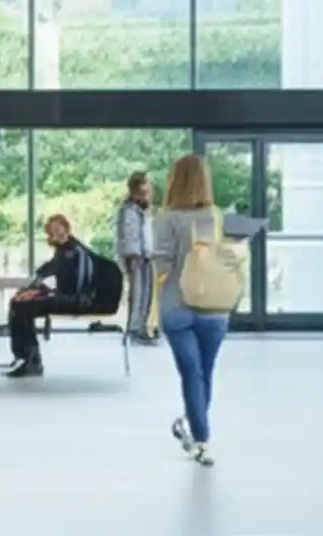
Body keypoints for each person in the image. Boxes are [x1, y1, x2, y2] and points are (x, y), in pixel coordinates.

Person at [155, 154, 230, 467]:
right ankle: (195, 430)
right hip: (213, 305)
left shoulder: (166, 218)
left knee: (190, 373)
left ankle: (200, 438)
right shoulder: (216, 216)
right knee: (205, 373)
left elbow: (161, 264)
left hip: (176, 306)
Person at [5, 214, 97, 378]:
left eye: (58, 229)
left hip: (76, 300)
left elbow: (76, 287)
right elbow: (45, 272)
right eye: (52, 230)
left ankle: (31, 360)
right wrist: (33, 290)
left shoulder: (75, 251)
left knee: (22, 307)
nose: (55, 233)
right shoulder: (62, 251)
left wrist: (41, 292)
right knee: (18, 301)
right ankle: (23, 356)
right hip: (66, 296)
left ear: (66, 228)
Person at [117, 171, 156, 345]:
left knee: (146, 293)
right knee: (138, 292)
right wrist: (134, 255)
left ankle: (141, 326)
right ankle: (134, 328)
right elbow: (130, 235)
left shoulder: (143, 209)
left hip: (145, 255)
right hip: (136, 256)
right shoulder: (130, 210)